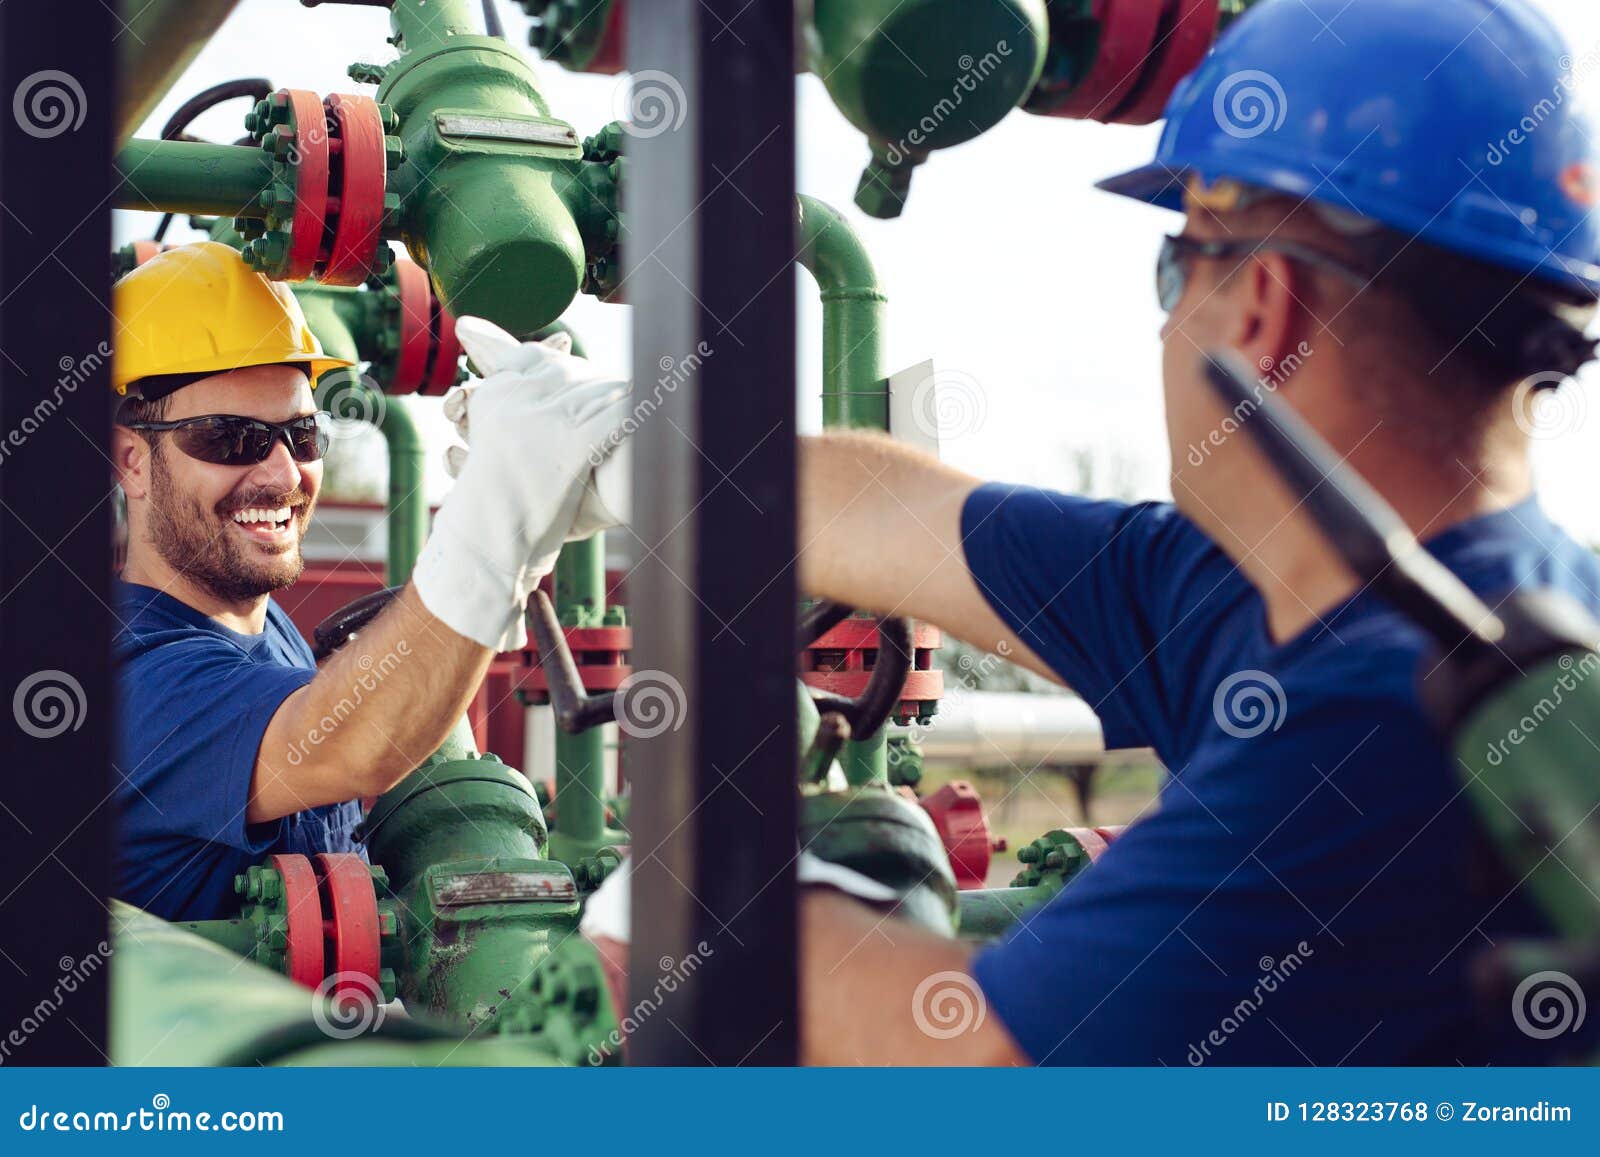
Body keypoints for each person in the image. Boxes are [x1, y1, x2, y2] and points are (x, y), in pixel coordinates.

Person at [488, 0, 1600, 1064]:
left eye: (1177, 267)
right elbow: (903, 519)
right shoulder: (1285, 592)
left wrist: (714, 898)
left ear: (1263, 305)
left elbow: (977, 1068)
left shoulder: (1375, 704)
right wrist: (617, 446)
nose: (1168, 323)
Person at [109, 242, 627, 921]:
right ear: (132, 461)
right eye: (230, 438)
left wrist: (532, 525)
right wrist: (497, 519)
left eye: (301, 434)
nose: (283, 472)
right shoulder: (129, 680)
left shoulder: (260, 626)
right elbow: (359, 746)